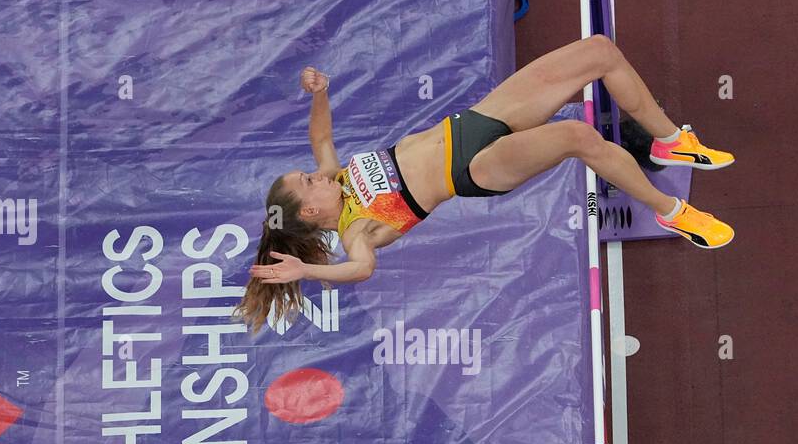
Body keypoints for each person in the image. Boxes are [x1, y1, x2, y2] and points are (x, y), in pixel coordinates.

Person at [234, 34, 734, 335]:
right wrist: (309, 271)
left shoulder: (337, 176)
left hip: (474, 123)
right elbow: (361, 271)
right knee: (578, 136)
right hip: (477, 168)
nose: (315, 174)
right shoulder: (356, 228)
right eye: (307, 182)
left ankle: (669, 141)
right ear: (313, 212)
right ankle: (672, 210)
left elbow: (320, 134)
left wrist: (318, 95)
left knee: (598, 53)